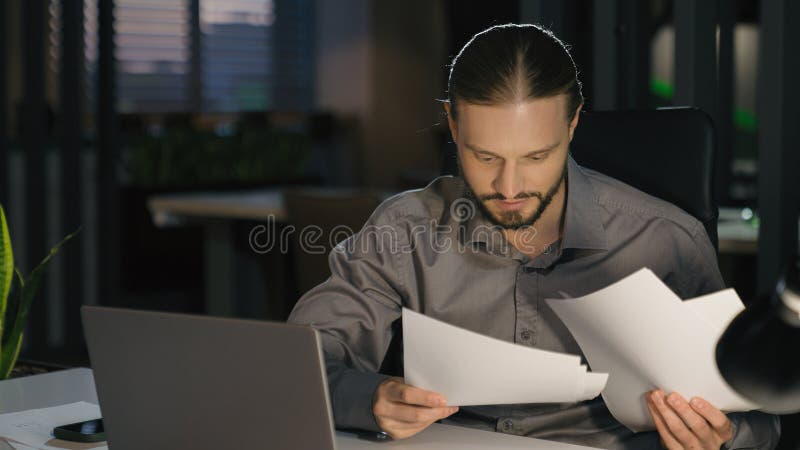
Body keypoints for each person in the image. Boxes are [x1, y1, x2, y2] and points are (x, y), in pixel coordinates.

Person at [288, 23, 780, 449]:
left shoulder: (666, 239)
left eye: (536, 157)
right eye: (485, 157)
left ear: (572, 124)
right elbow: (300, 364)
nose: (509, 188)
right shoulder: (404, 228)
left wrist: (719, 436)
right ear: (454, 128)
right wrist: (369, 399)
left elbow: (760, 418)